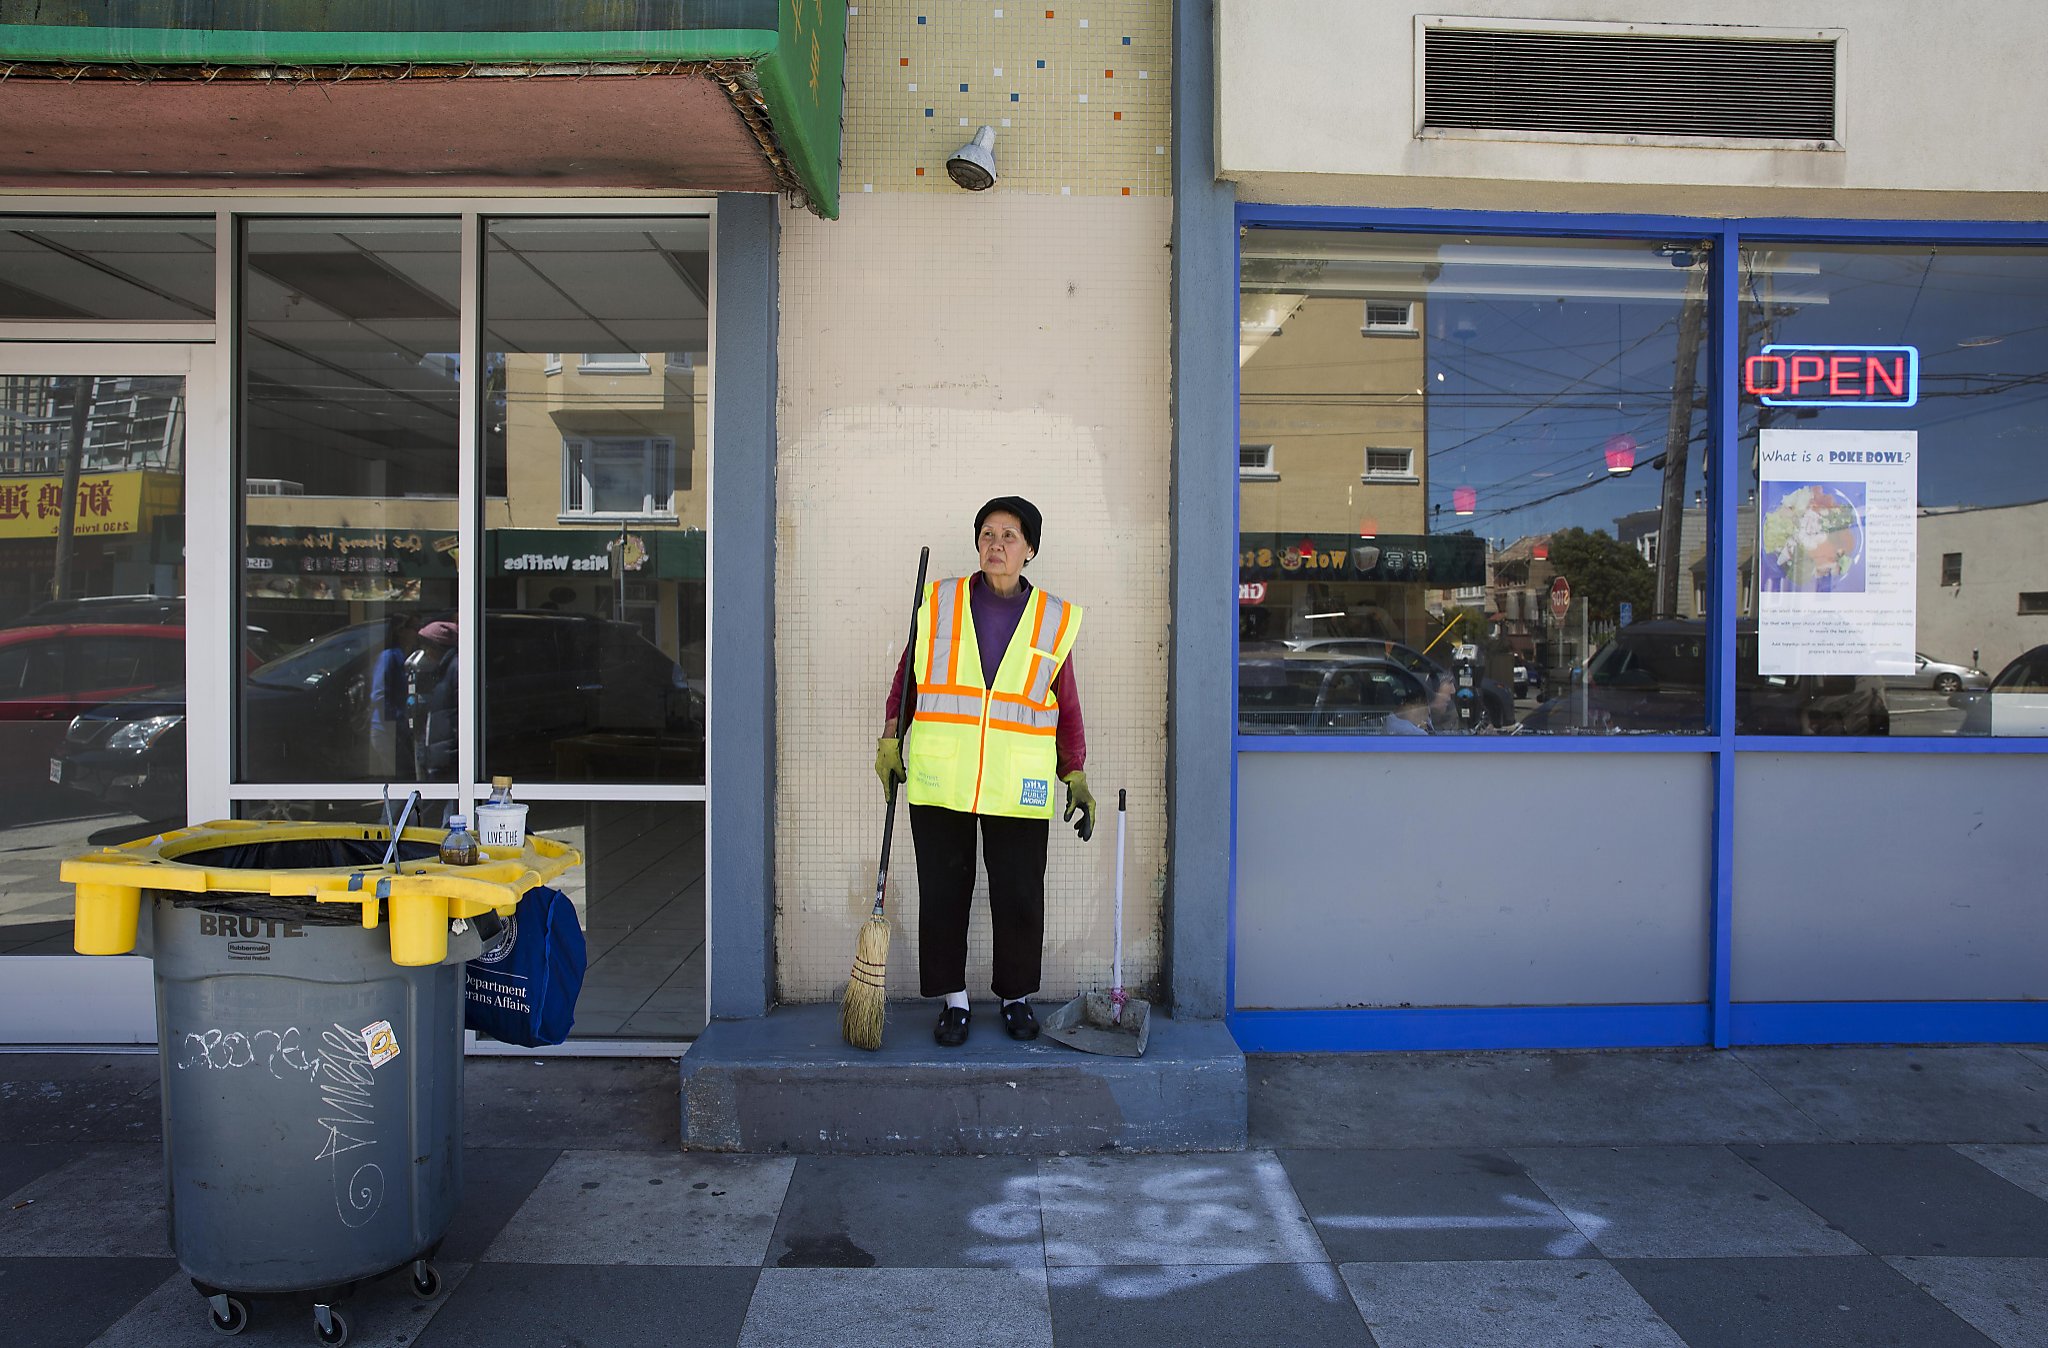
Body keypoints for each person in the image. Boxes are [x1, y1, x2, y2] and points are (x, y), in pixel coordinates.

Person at [875, 496, 1095, 1047]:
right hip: (941, 776)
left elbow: (1064, 700)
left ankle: (1015, 998)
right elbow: (910, 675)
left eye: (1010, 536)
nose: (997, 545)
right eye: (988, 534)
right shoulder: (940, 601)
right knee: (945, 892)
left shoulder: (1051, 617)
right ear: (978, 543)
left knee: (1020, 893)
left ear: (1030, 550)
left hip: (1017, 779)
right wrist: (889, 736)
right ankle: (953, 1001)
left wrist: (1075, 770)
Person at [369, 613, 419, 778]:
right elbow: (379, 695)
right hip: (387, 731)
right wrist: (397, 720)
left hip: (399, 729)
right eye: (414, 628)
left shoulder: (406, 656)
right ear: (400, 631)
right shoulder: (389, 656)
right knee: (401, 784)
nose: (417, 633)